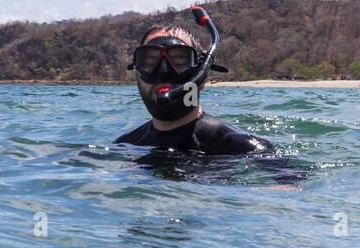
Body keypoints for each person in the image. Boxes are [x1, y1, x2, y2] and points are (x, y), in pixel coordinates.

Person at [114, 12, 273, 155]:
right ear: (137, 73)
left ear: (202, 76)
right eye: (149, 61)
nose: (163, 72)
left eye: (179, 61)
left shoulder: (244, 148)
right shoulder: (126, 146)